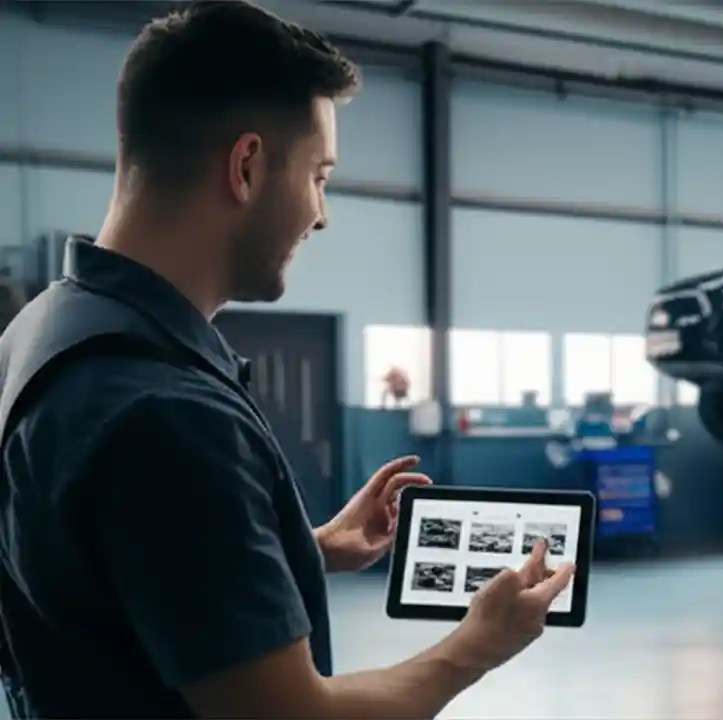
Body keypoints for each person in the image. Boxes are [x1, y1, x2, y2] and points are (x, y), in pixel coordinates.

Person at [0, 1, 572, 718]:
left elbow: (111, 569)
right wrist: (477, 645)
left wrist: (305, 548)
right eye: (320, 176)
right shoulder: (168, 412)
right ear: (246, 166)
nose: (321, 214)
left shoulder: (42, 334)